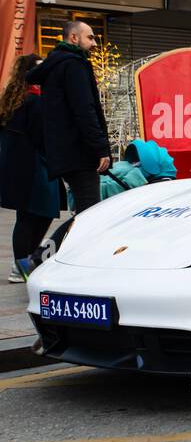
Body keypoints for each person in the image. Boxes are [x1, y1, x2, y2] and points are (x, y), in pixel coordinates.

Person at [26, 20, 110, 214]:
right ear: (74, 38)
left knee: (83, 208)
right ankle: (82, 245)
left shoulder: (55, 65)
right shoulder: (74, 65)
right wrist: (100, 148)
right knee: (90, 211)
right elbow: (84, 110)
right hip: (80, 152)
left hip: (65, 153)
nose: (94, 44)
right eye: (89, 37)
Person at [0, 53, 59, 281]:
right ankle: (22, 265)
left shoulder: (16, 100)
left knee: (33, 215)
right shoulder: (33, 101)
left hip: (23, 168)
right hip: (34, 167)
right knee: (31, 216)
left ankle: (26, 262)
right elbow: (42, 137)